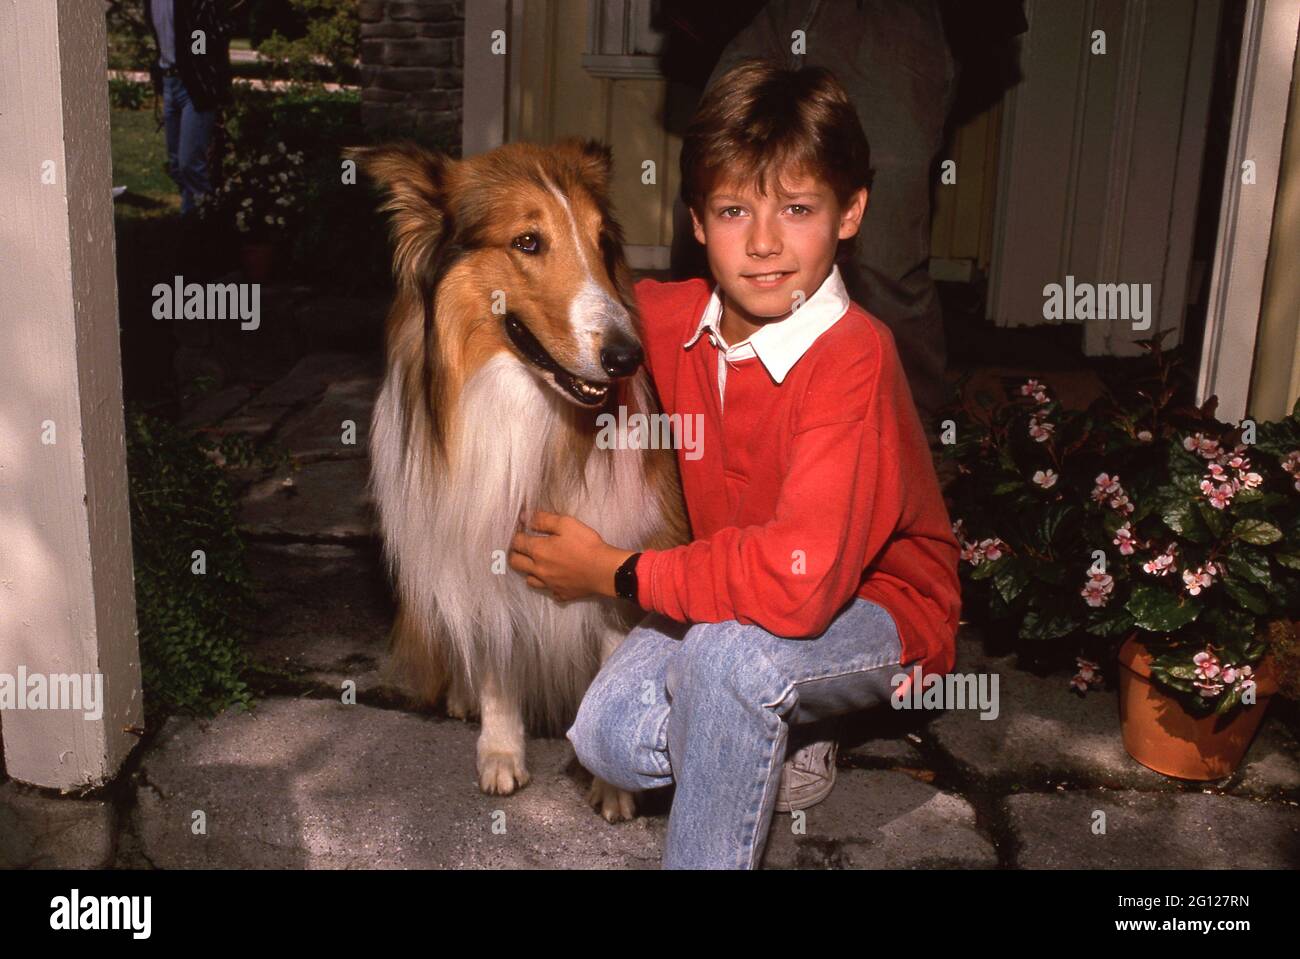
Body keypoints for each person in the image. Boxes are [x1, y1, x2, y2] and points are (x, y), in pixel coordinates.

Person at [508, 60, 961, 869]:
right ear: (696, 220)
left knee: (731, 663)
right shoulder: (674, 320)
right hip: (729, 591)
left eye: (797, 208)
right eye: (732, 210)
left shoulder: (854, 357)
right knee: (603, 737)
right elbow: (576, 309)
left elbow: (798, 583)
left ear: (850, 212)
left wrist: (617, 571)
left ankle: (763, 726)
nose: (761, 242)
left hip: (875, 608)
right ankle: (778, 724)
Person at [144, 0, 234, 216]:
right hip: (169, 83)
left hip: (194, 86)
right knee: (176, 166)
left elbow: (206, 35)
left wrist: (199, 64)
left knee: (189, 164)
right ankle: (190, 220)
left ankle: (206, 220)